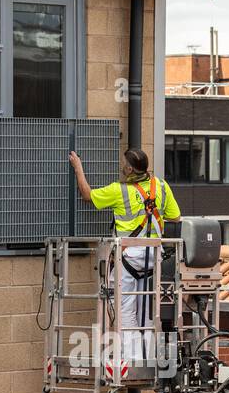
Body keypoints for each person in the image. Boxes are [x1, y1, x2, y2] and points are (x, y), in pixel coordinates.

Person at [69, 146, 181, 375]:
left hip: (130, 256)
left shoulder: (119, 190)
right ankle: (148, 356)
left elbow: (87, 195)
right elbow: (175, 216)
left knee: (125, 309)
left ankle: (132, 359)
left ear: (129, 168)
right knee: (148, 310)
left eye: (123, 163)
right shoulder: (160, 186)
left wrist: (78, 168)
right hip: (154, 256)